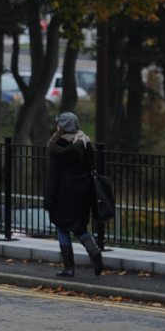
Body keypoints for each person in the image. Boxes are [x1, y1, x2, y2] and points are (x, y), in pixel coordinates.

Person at [42, 111, 104, 278]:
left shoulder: (57, 145)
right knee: (79, 226)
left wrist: (48, 197)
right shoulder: (84, 141)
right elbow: (92, 167)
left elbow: (53, 175)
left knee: (62, 228)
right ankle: (94, 252)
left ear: (62, 127)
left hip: (63, 193)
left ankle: (69, 268)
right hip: (83, 191)